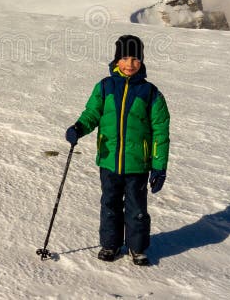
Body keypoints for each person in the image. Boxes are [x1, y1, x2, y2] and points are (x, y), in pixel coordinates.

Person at [65, 34, 170, 266]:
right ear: (116, 61)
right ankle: (110, 244)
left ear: (141, 61)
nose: (130, 64)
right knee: (110, 204)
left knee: (137, 207)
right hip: (109, 160)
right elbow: (92, 114)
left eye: (135, 59)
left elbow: (160, 132)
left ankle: (137, 248)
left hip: (138, 163)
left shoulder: (150, 93)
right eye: (125, 58)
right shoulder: (105, 87)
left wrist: (159, 166)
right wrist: (79, 128)